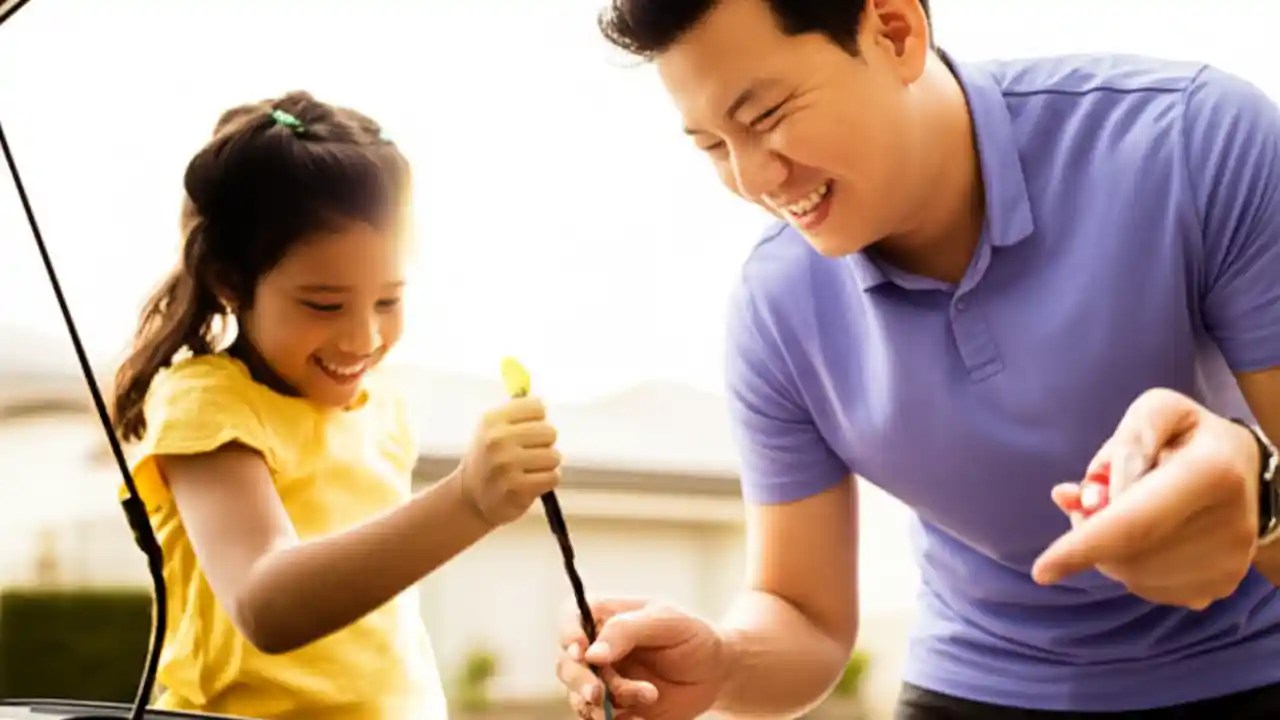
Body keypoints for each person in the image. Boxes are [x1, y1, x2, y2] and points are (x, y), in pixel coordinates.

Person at [554, 0, 1280, 718]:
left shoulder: (1195, 143)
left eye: (766, 116)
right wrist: (722, 660)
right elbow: (804, 615)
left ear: (894, 31)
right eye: (713, 146)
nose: (753, 180)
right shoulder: (776, 306)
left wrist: (1263, 501)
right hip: (978, 685)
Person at [109, 91, 564, 719]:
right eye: (324, 304)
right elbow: (264, 604)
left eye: (388, 300)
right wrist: (466, 501)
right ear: (229, 281)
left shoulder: (383, 406)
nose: (363, 339)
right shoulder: (210, 404)